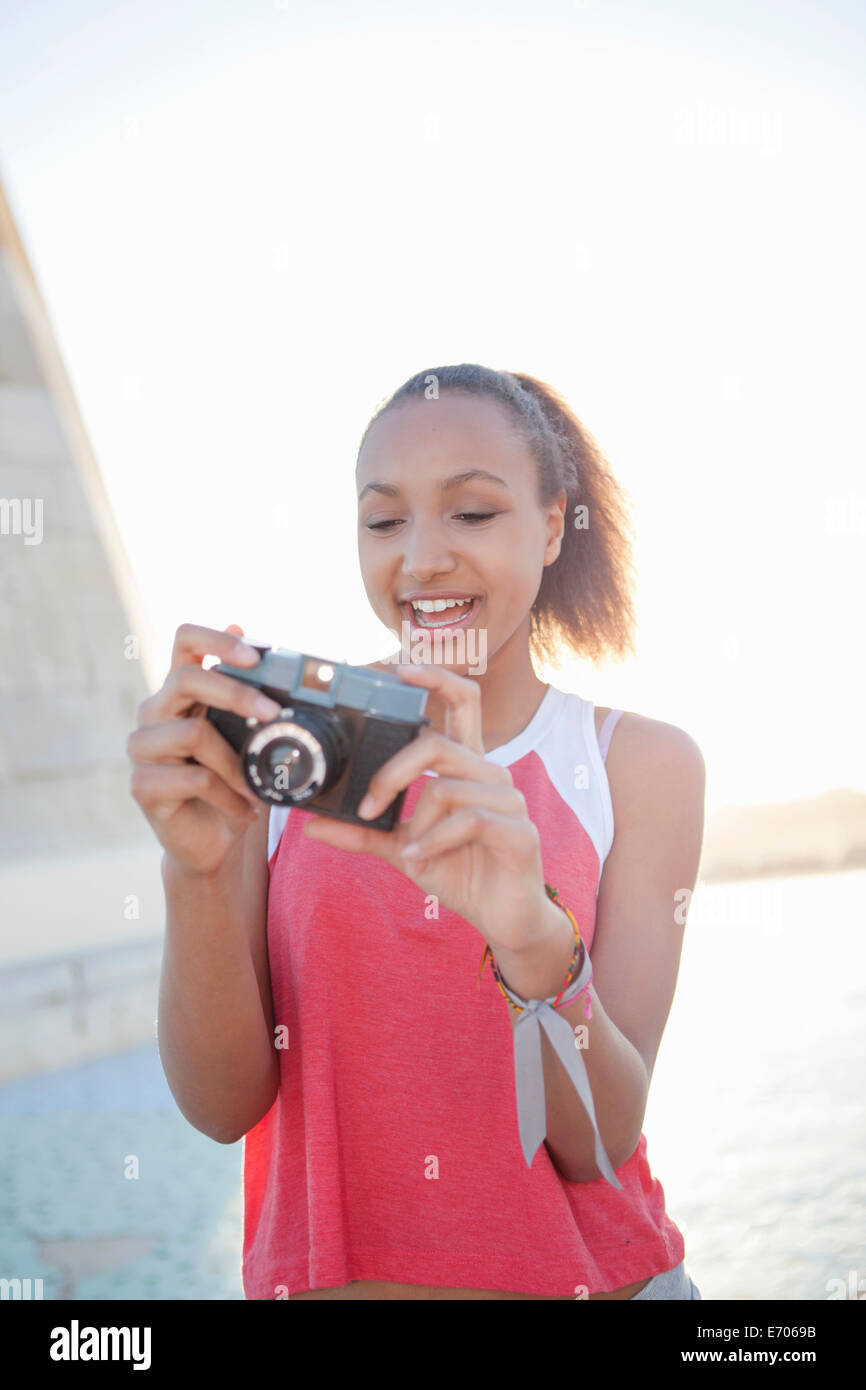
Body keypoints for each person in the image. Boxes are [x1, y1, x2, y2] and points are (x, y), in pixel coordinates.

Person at [127, 364, 706, 1301]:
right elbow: (221, 1106)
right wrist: (193, 872)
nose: (421, 558)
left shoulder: (638, 765)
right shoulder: (286, 750)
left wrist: (529, 937)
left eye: (473, 514)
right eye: (384, 521)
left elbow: (602, 1141)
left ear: (555, 524)